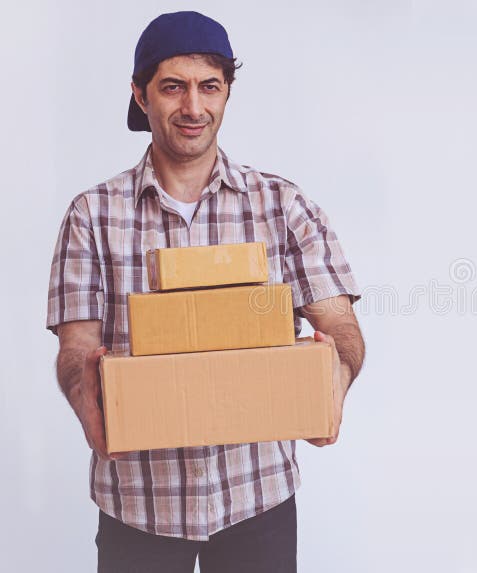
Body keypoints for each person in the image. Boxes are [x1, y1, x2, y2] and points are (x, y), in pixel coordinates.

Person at [46, 11, 365, 572]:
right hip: (138, 505)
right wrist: (87, 401)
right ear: (141, 97)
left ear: (226, 93)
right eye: (173, 87)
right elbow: (76, 348)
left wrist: (333, 378)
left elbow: (341, 329)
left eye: (209, 87)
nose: (193, 108)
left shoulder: (282, 206)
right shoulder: (91, 216)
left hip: (256, 500)